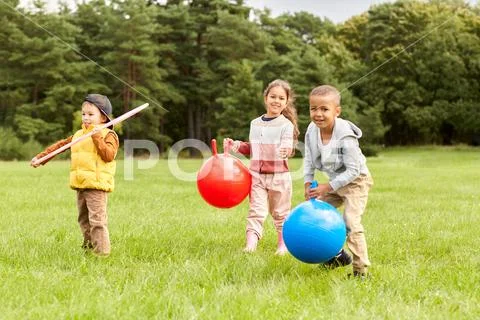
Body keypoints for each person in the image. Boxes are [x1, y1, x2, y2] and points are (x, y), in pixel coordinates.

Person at [31, 94, 119, 257]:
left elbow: (108, 155)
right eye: (83, 114)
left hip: (96, 185)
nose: (86, 117)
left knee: (97, 221)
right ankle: (88, 250)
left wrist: (96, 135)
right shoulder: (79, 135)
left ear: (104, 117)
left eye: (91, 114)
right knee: (84, 220)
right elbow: (61, 146)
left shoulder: (108, 134)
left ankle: (102, 254)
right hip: (80, 184)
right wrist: (41, 157)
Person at [304, 85, 373, 279]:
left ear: (337, 111)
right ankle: (336, 257)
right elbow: (309, 157)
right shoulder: (312, 129)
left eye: (324, 109)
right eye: (313, 108)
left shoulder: (344, 134)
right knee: (316, 214)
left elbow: (354, 170)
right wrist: (308, 182)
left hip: (356, 181)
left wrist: (327, 186)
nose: (318, 114)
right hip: (336, 182)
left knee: (350, 222)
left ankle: (361, 272)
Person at [224, 79, 299, 255]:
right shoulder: (255, 123)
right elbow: (252, 149)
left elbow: (287, 145)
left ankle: (283, 245)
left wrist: (286, 149)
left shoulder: (285, 125)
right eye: (273, 96)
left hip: (279, 177)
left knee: (280, 213)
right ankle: (250, 246)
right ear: (265, 98)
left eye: (281, 98)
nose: (276, 101)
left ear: (286, 102)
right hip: (256, 176)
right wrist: (235, 145)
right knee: (256, 211)